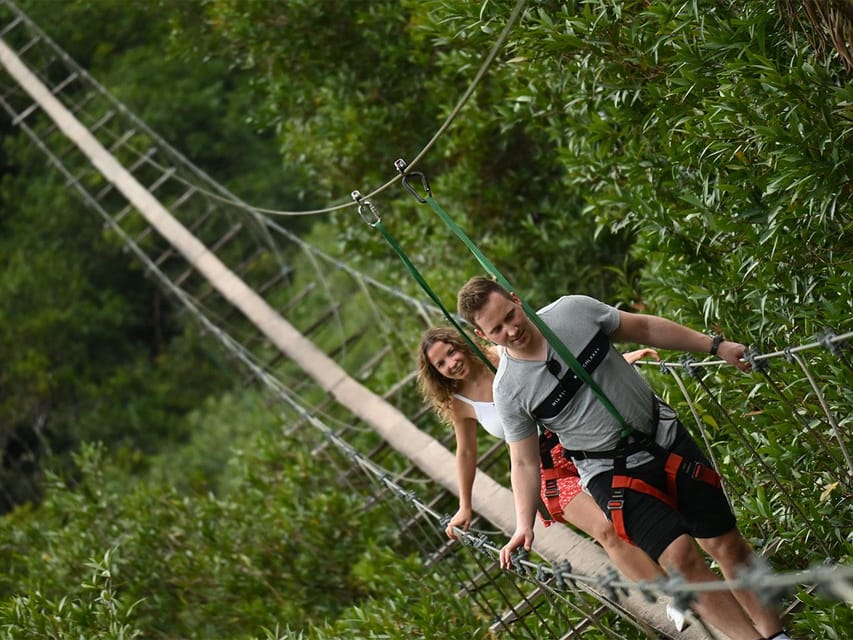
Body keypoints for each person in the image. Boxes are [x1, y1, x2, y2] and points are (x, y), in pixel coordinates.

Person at [455, 276, 792, 640]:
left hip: (664, 438)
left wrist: (715, 346)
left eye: (510, 316)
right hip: (610, 474)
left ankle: (775, 633)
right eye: (497, 329)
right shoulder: (509, 390)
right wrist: (524, 524)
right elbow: (522, 462)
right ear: (483, 336)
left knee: (726, 544)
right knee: (680, 559)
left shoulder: (573, 311)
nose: (511, 330)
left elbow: (644, 327)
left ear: (517, 300)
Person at [416, 326, 668, 584]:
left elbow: (565, 373)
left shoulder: (505, 355)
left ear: (462, 345)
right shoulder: (460, 404)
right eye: (441, 363)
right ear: (436, 372)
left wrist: (620, 360)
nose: (451, 363)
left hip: (583, 441)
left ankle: (689, 576)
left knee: (635, 510)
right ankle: (676, 596)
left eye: (451, 352)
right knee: (605, 529)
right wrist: (465, 505)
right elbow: (467, 452)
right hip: (545, 469)